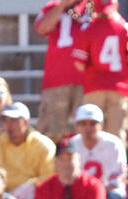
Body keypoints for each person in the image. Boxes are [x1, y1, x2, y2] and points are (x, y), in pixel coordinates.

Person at [71, 0, 128, 143]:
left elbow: (79, 63)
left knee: (91, 135)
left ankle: (93, 163)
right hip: (119, 89)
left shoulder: (88, 28)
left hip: (94, 88)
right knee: (116, 135)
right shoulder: (125, 28)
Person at [35, 0, 92, 141]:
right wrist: (62, 5)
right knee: (51, 133)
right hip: (56, 79)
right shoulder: (52, 6)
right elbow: (41, 28)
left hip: (87, 80)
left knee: (87, 134)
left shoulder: (94, 6)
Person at [0, 102, 55, 199]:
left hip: (34, 197)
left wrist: (29, 185)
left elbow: (49, 176)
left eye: (13, 120)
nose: (8, 125)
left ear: (26, 122)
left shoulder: (44, 145)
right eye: (5, 120)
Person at [70, 103, 127, 199]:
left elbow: (118, 178)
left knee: (115, 197)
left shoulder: (113, 144)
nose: (88, 128)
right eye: (83, 123)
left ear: (101, 125)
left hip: (108, 191)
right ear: (77, 126)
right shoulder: (72, 144)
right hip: (79, 192)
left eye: (92, 123)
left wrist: (97, 193)